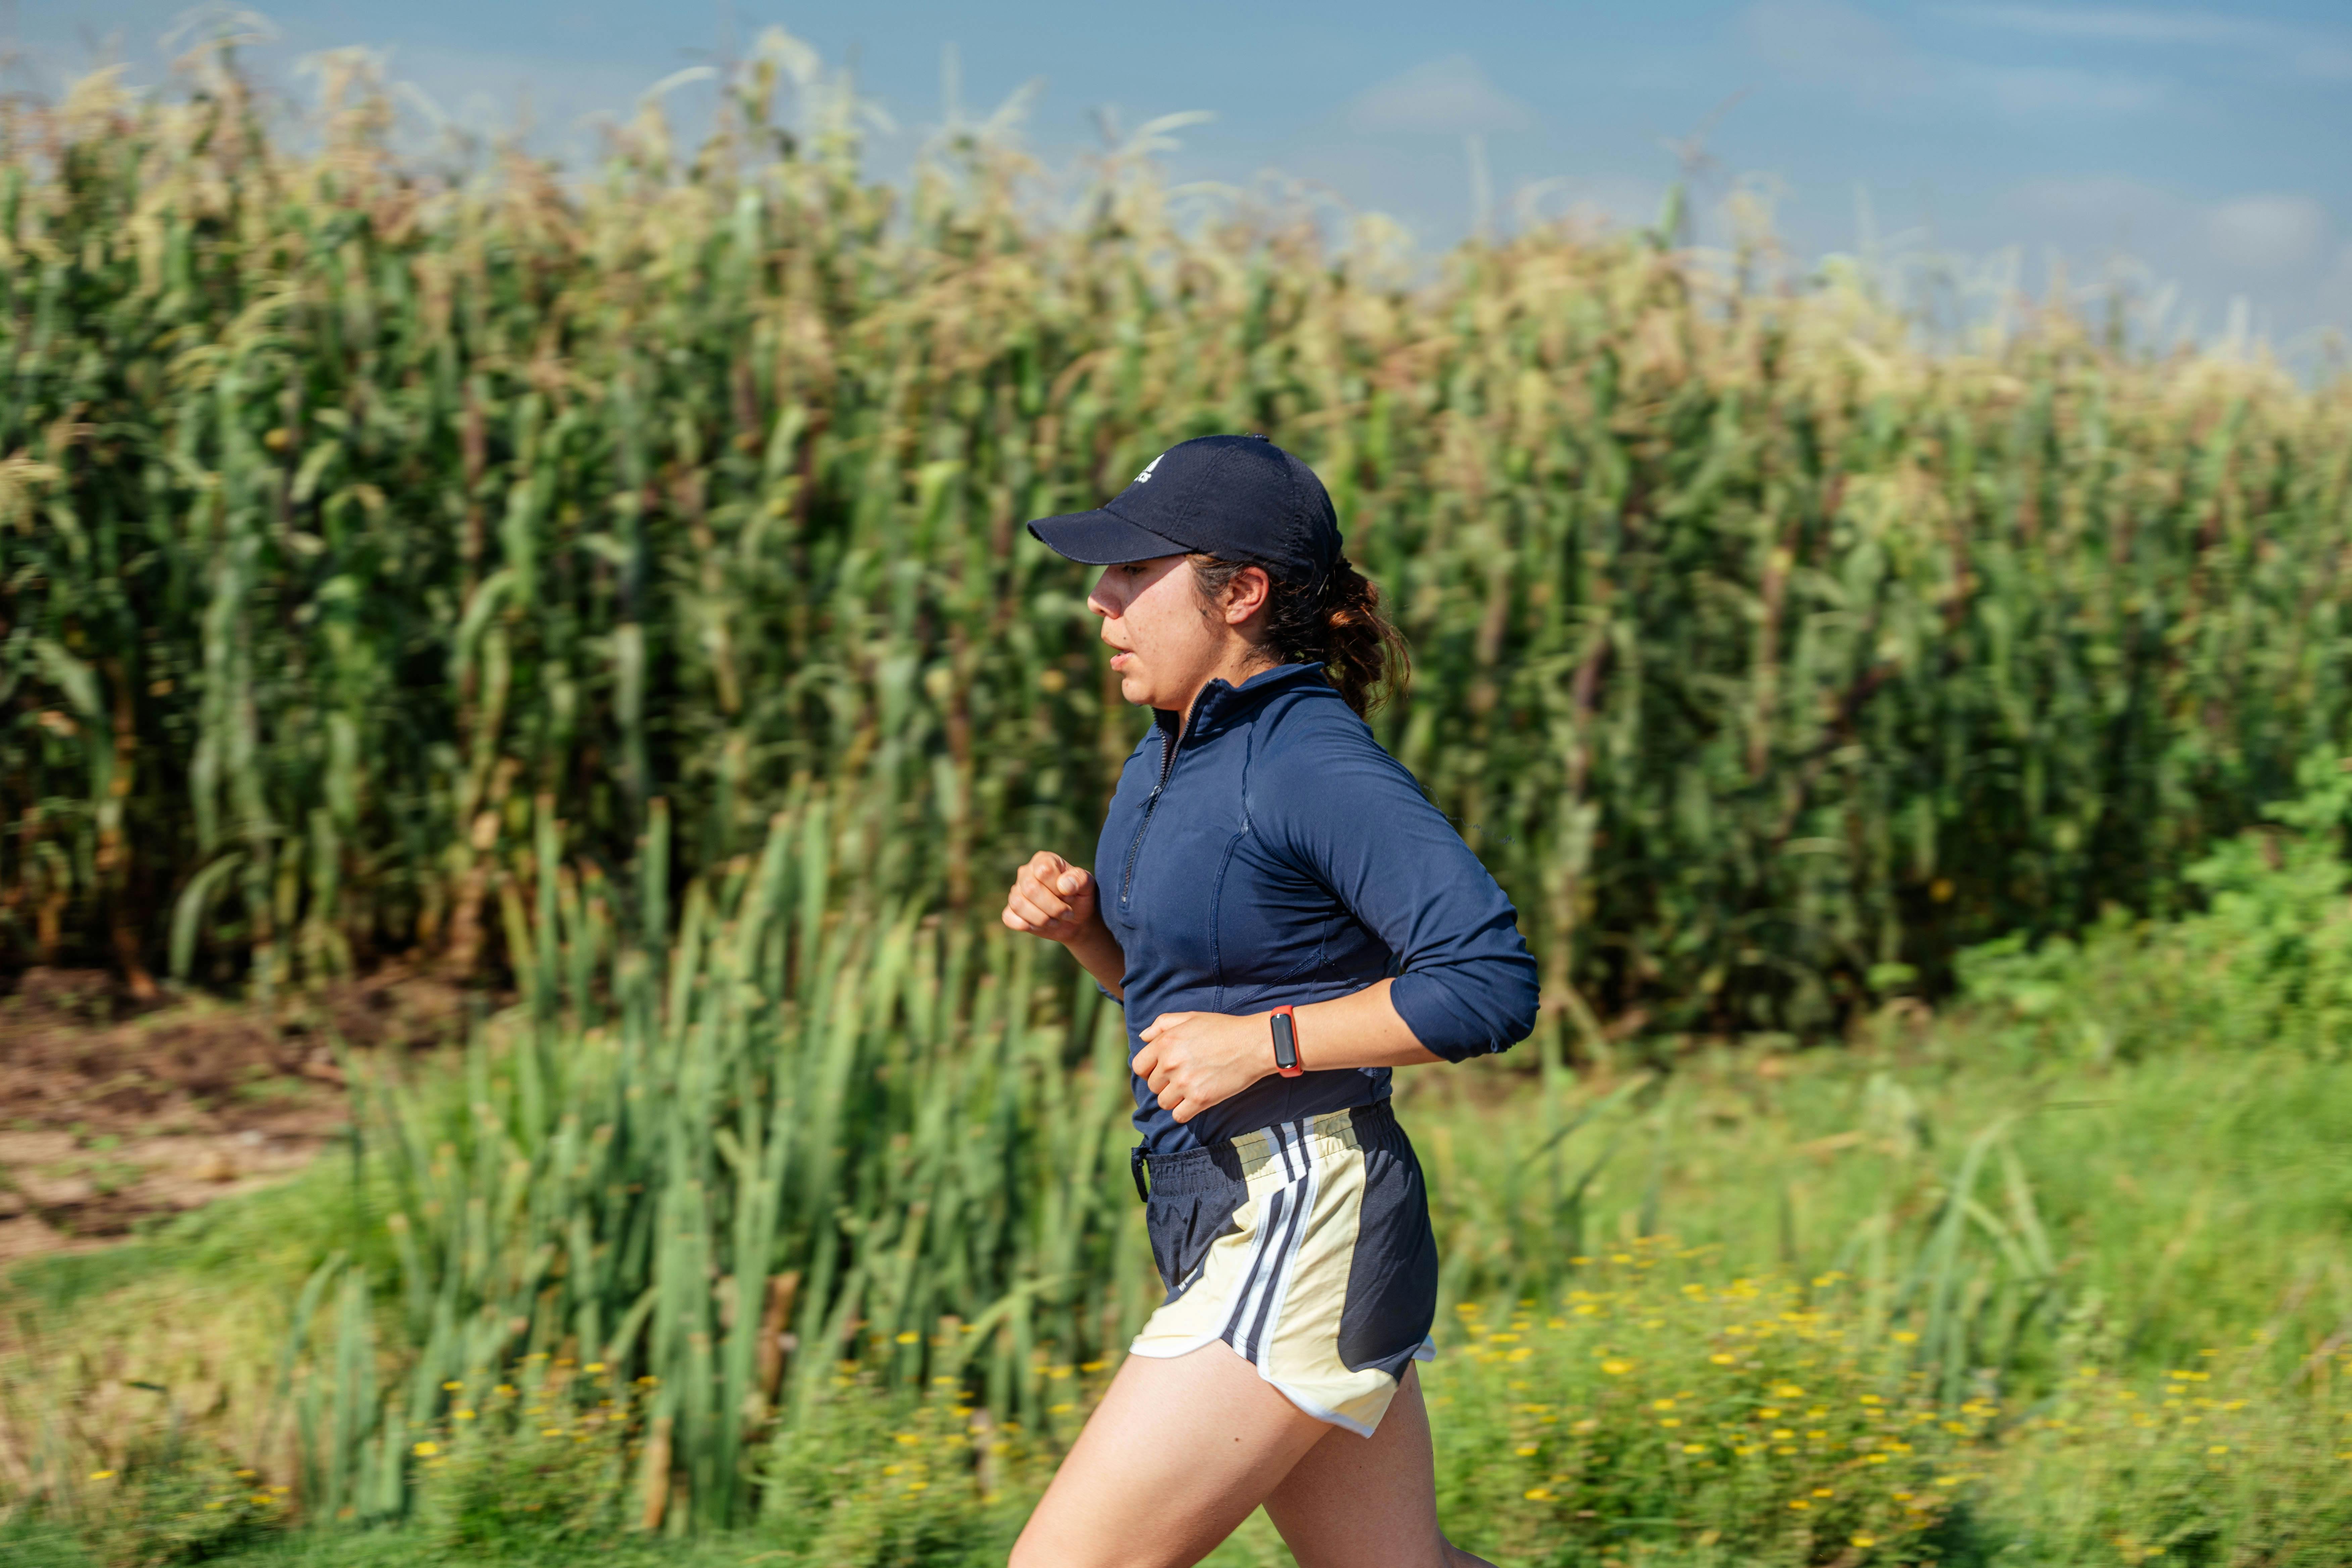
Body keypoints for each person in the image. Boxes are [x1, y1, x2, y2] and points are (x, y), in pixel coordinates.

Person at [998, 434, 1541, 1568]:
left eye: (1134, 571)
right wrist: (1086, 933)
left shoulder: (1308, 761)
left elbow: (1486, 981)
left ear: (1240, 593)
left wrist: (1266, 1045)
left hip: (1303, 1202)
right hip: (1209, 1200)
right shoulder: (1167, 757)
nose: (1100, 601)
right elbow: (1197, 1006)